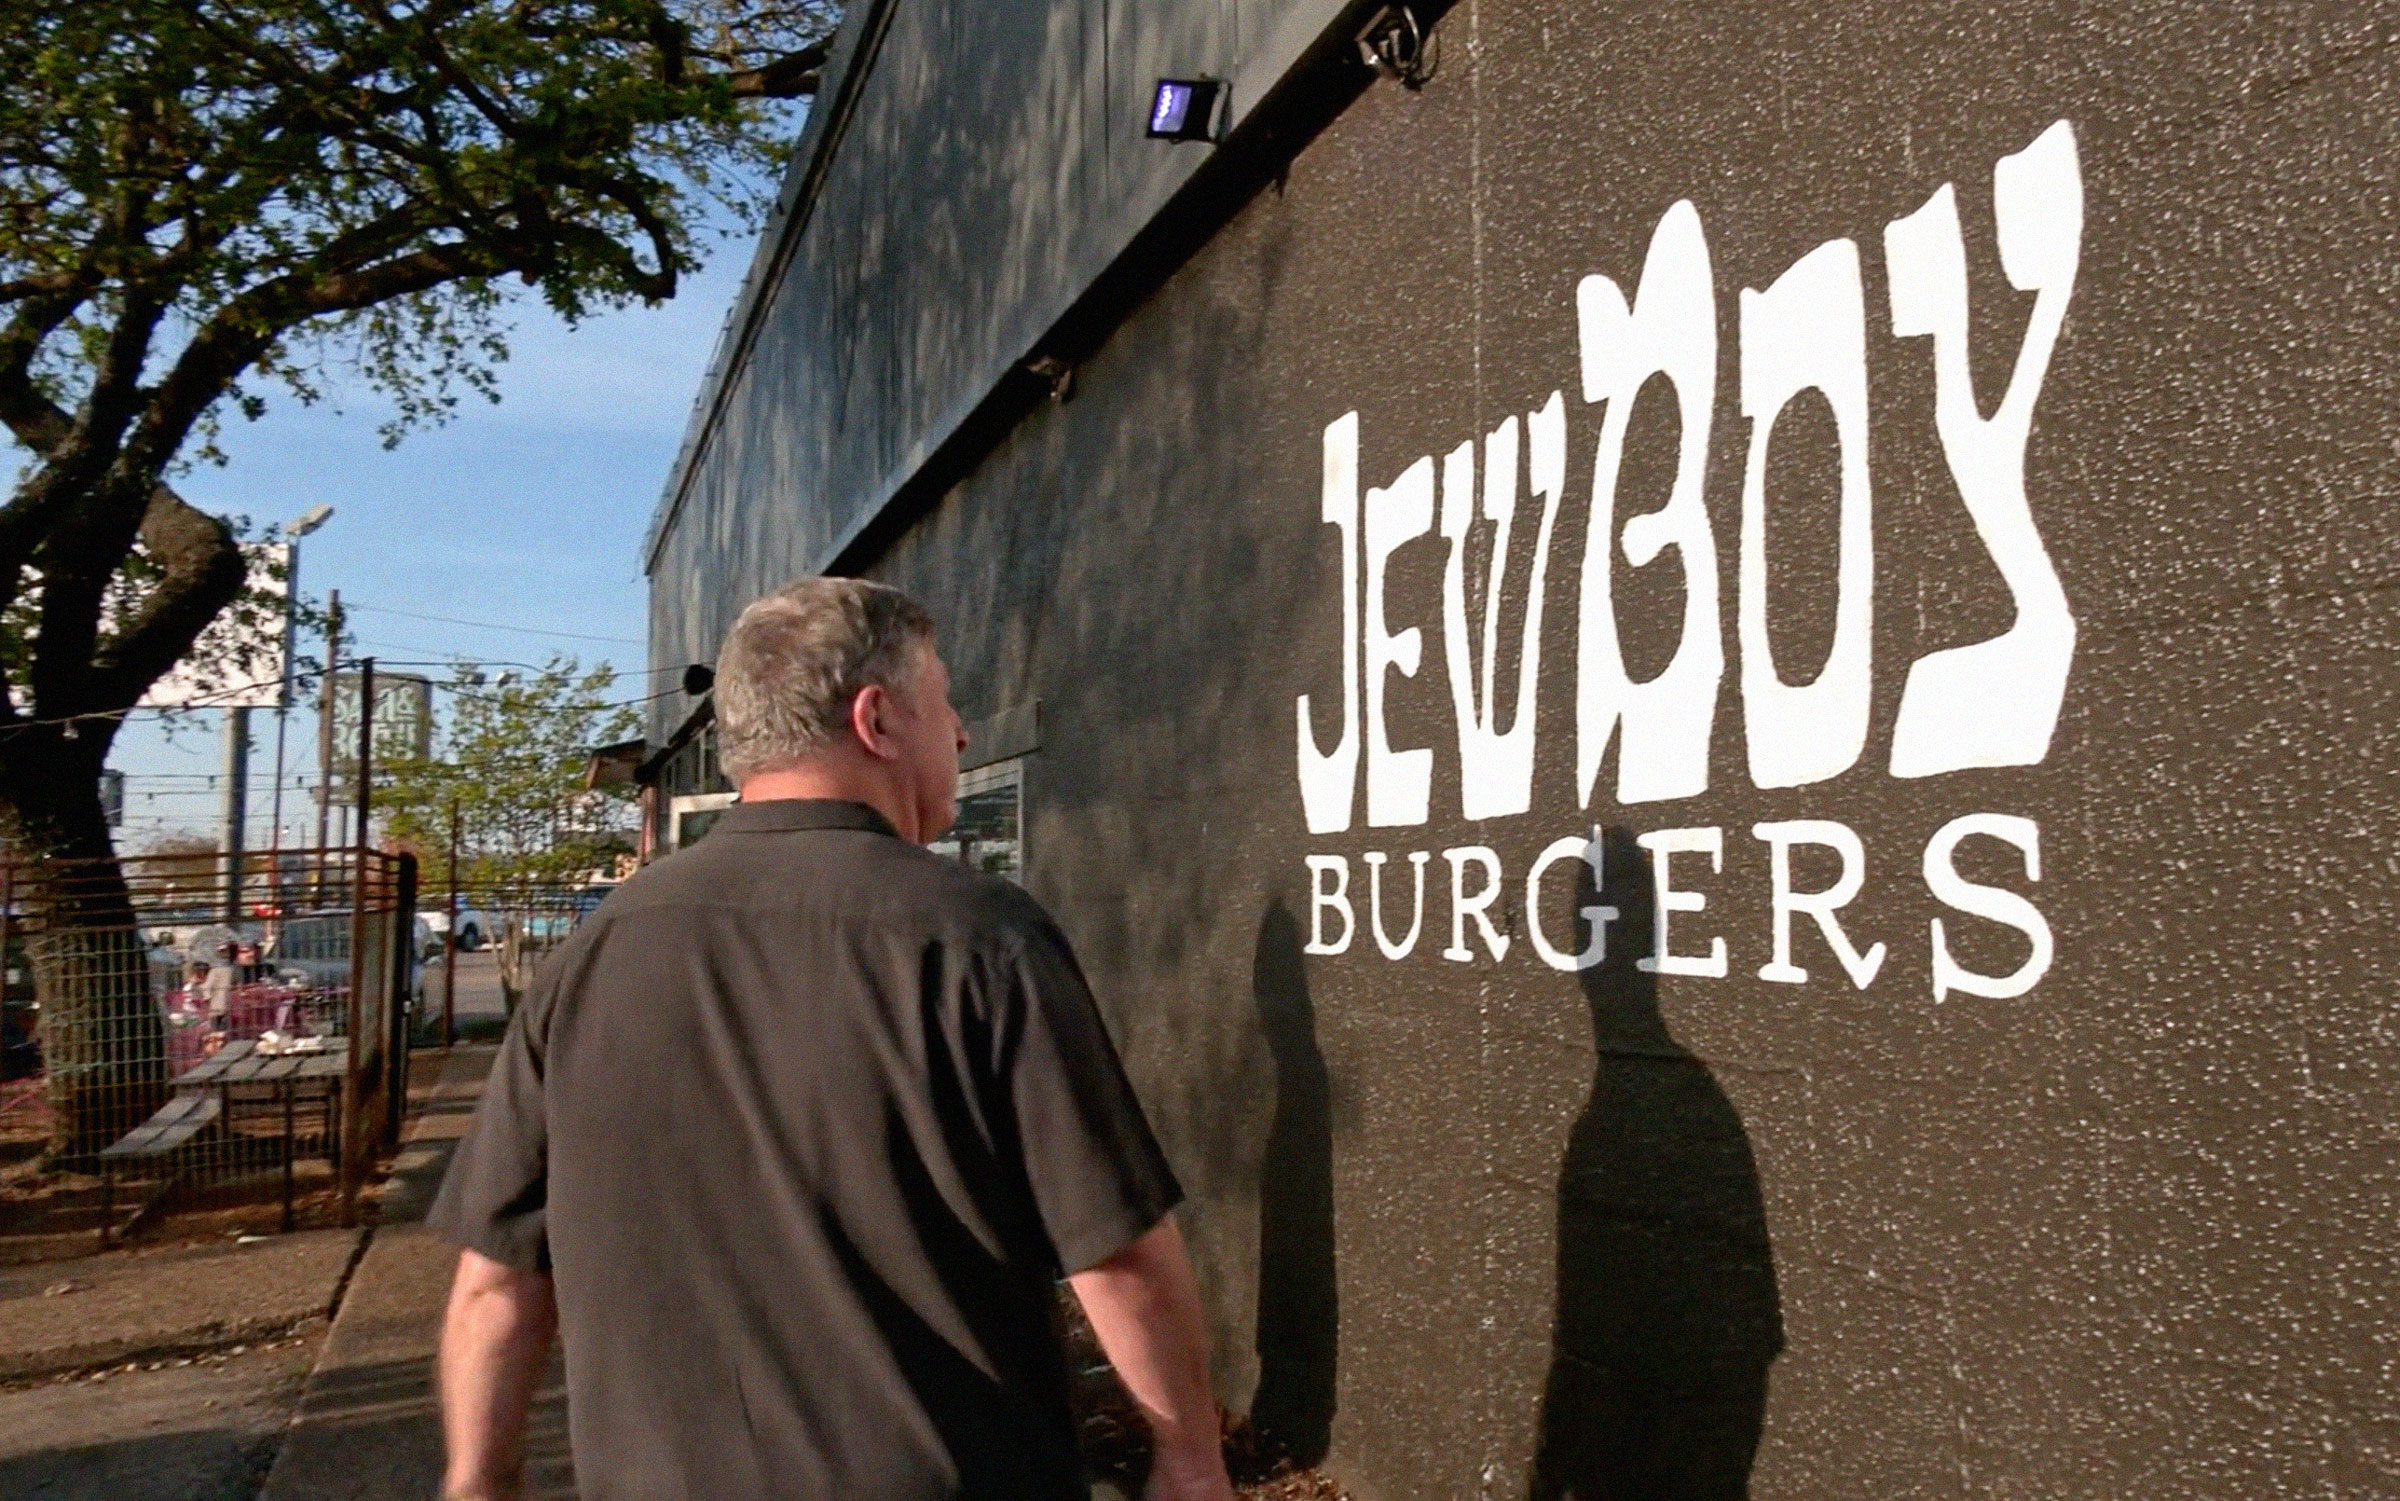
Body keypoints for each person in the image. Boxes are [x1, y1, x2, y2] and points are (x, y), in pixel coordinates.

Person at [430, 577, 1234, 1501]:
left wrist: (478, 1480)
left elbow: (496, 1283)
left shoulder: (591, 955)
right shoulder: (981, 939)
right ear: (879, 717)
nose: (963, 731)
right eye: (944, 701)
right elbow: (1119, 1254)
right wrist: (1190, 1460)